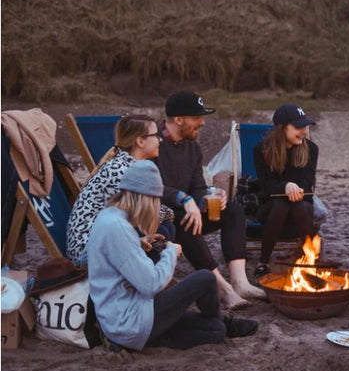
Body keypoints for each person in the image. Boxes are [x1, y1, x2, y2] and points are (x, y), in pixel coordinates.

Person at [86, 161, 258, 351]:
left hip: (123, 322)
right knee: (205, 278)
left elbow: (118, 260)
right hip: (131, 321)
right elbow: (151, 284)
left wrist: (139, 243)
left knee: (214, 331)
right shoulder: (117, 228)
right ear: (145, 198)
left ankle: (220, 324)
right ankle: (223, 321)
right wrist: (170, 253)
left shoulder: (109, 217)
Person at [153, 91, 264, 309]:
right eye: (197, 117)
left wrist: (209, 196)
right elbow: (148, 186)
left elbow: (197, 187)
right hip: (159, 216)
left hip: (188, 210)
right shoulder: (152, 142)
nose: (202, 123)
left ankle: (239, 282)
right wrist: (185, 200)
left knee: (232, 210)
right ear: (178, 119)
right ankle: (222, 288)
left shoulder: (192, 147)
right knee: (185, 221)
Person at [66, 114, 175, 266]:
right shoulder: (121, 171)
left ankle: (149, 273)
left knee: (164, 229)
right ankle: (148, 276)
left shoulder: (125, 165)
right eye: (156, 135)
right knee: (162, 229)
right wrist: (171, 211)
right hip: (88, 253)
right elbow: (146, 215)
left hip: (104, 240)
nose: (160, 139)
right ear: (140, 141)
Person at [251, 103, 320, 279]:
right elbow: (267, 187)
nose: (304, 130)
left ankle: (309, 261)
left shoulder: (311, 149)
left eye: (305, 125)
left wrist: (293, 189)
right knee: (281, 204)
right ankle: (263, 262)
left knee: (298, 205)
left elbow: (306, 185)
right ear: (282, 128)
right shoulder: (262, 150)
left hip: (301, 211)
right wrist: (286, 186)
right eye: (298, 126)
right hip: (271, 211)